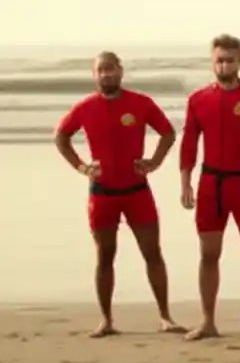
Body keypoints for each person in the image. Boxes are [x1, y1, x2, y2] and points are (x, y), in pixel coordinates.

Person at [53, 51, 183, 337]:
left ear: (121, 71)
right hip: (102, 194)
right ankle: (106, 320)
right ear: (94, 74)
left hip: (137, 191)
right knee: (105, 255)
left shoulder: (139, 103)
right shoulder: (85, 107)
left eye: (112, 70)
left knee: (152, 253)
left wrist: (154, 162)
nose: (107, 75)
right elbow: (60, 136)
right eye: (101, 70)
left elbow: (168, 133)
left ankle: (165, 316)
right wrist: (82, 166)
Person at [178, 34, 240, 341]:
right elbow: (188, 145)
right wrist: (185, 184)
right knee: (208, 254)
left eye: (230, 59)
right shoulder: (198, 100)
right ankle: (208, 321)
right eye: (219, 59)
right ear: (212, 61)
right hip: (210, 184)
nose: (224, 65)